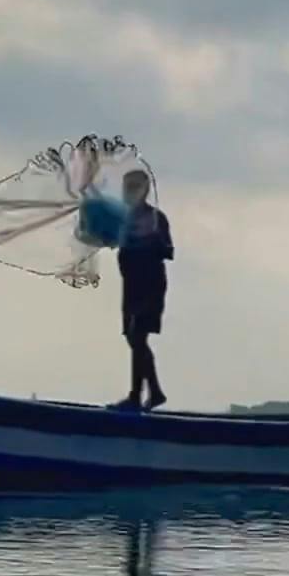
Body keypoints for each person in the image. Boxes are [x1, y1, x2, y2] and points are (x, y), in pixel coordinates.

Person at [115, 167, 174, 412]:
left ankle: (135, 396)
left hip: (150, 283)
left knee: (138, 335)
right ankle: (154, 391)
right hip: (131, 284)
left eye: (133, 188)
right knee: (133, 338)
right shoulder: (123, 219)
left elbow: (168, 251)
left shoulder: (156, 218)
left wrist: (150, 237)